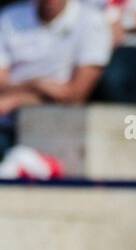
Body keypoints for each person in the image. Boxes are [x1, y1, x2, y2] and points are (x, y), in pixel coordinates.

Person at [0, 0, 111, 153]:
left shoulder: (92, 21)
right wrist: (37, 85)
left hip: (57, 132)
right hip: (7, 123)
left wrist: (16, 100)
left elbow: (74, 96)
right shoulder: (9, 17)